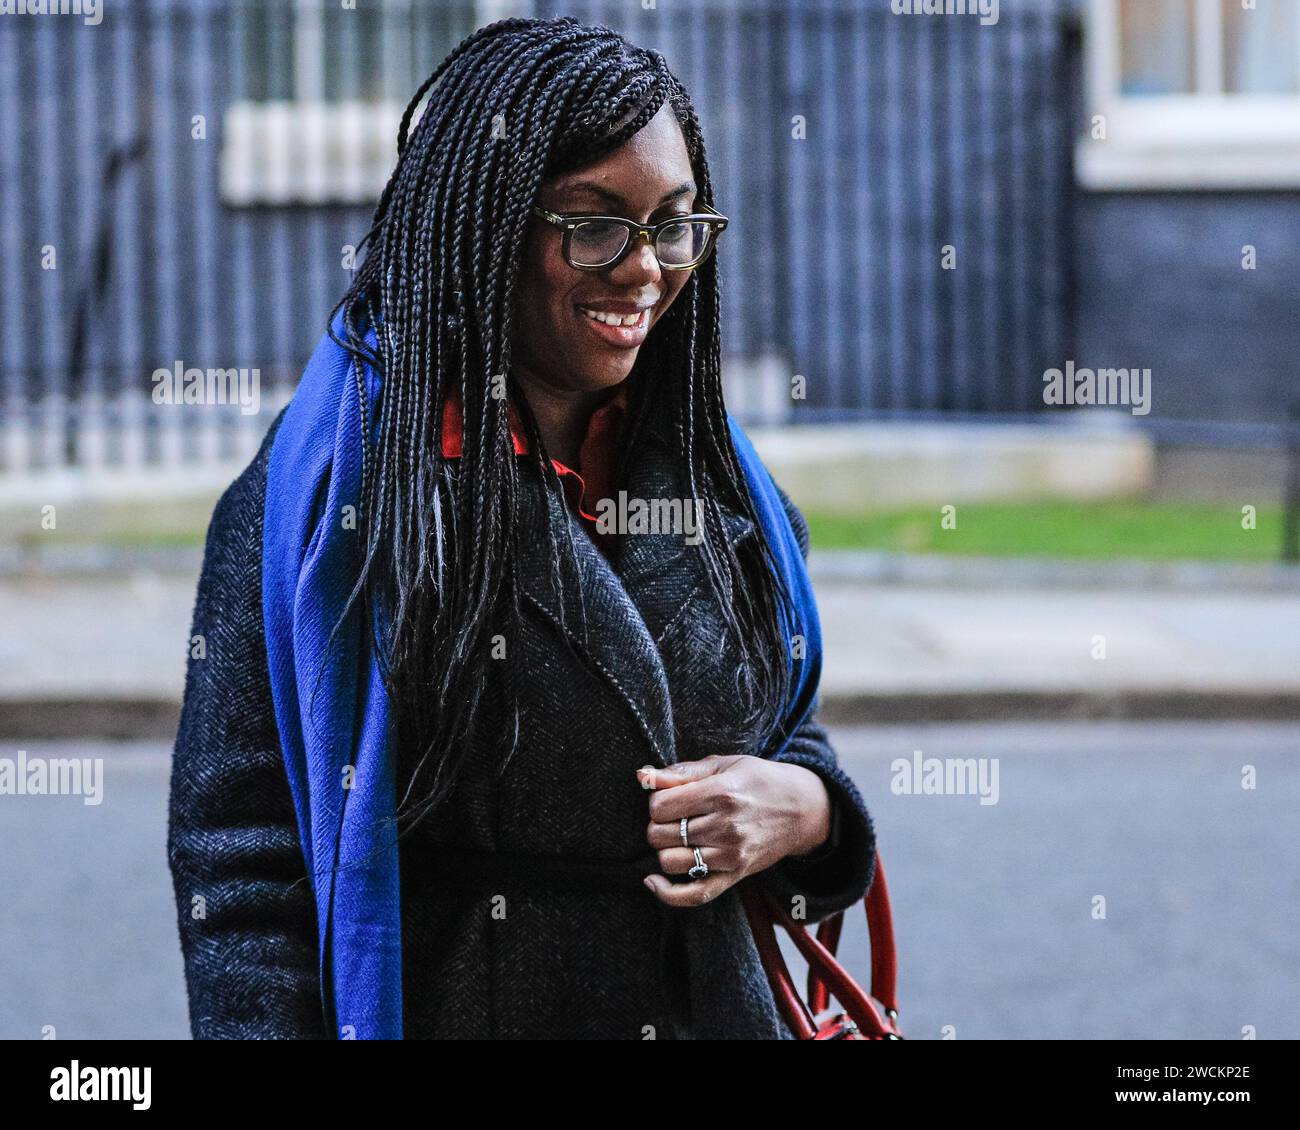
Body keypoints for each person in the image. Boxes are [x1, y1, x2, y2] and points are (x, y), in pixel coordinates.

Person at [167, 15, 876, 1040]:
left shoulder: (724, 483)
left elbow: (780, 731)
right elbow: (244, 865)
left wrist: (804, 810)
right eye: (593, 225)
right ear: (490, 226)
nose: (642, 270)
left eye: (673, 224)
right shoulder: (334, 497)